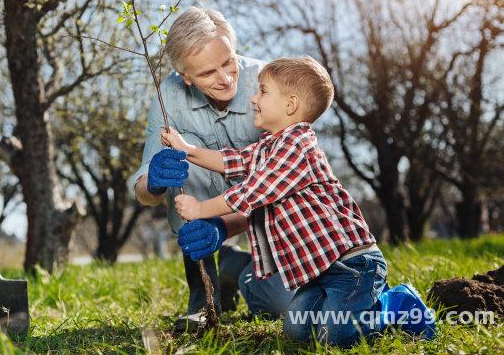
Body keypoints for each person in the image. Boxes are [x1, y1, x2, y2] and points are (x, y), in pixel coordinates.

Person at [161, 57, 436, 345]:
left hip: (352, 265)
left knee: (337, 335)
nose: (253, 98)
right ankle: (350, 315)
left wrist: (201, 209)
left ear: (290, 105)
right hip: (318, 272)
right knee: (297, 331)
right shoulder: (269, 146)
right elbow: (230, 160)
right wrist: (187, 149)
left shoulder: (298, 146)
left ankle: (398, 309)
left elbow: (254, 190)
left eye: (263, 91)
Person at [129, 7, 296, 332]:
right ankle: (203, 296)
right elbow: (142, 190)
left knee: (283, 306)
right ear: (185, 77)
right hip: (205, 203)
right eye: (207, 73)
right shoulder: (170, 97)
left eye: (228, 61)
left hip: (270, 214)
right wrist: (154, 183)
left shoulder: (267, 86)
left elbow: (289, 189)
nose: (225, 78)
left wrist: (222, 228)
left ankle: (238, 266)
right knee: (181, 157)